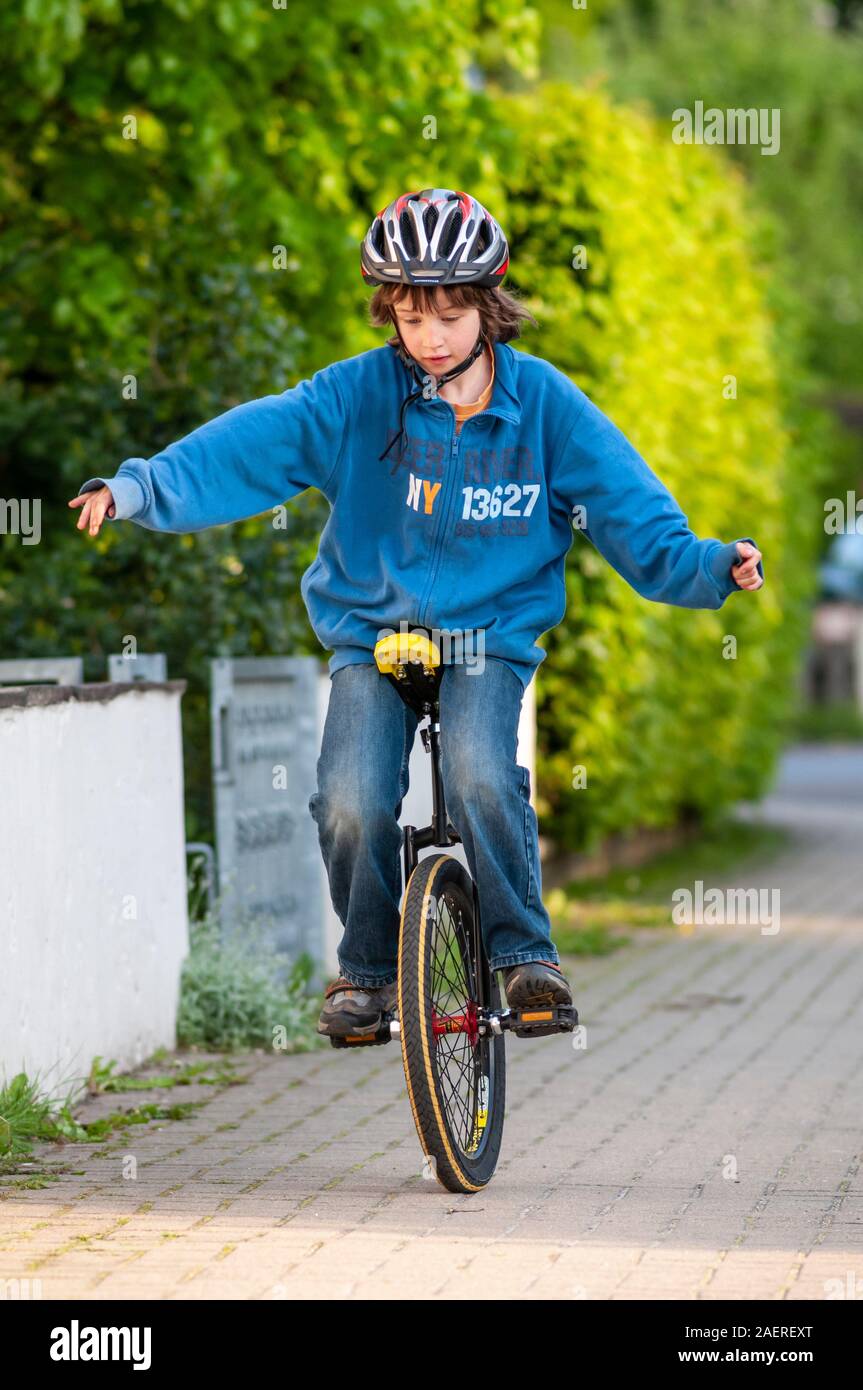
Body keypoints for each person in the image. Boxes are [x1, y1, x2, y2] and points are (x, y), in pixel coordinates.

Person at [69, 186, 765, 1041]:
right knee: (349, 801)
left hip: (490, 641)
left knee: (479, 772)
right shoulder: (356, 398)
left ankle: (523, 959)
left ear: (486, 305)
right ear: (388, 313)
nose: (428, 338)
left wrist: (710, 566)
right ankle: (367, 974)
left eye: (447, 315)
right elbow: (250, 445)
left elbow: (634, 518)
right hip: (374, 638)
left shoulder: (544, 407)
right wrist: (140, 486)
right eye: (407, 317)